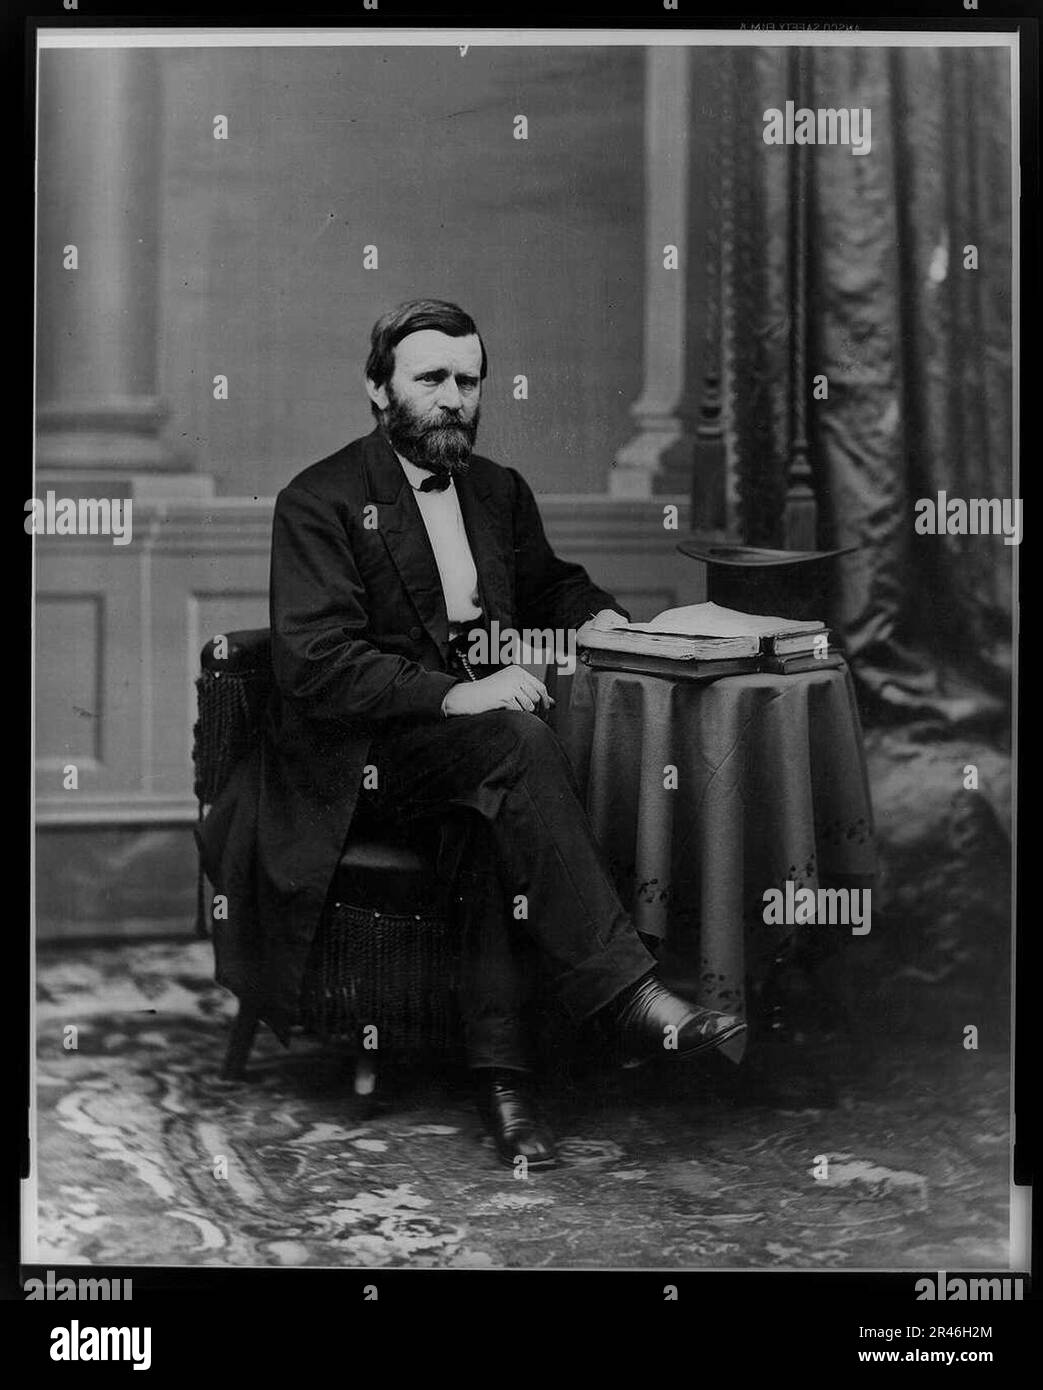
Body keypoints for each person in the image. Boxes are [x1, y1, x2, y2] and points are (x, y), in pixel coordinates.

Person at [219, 298, 745, 1171]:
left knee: (491, 799)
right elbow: (316, 665)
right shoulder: (319, 501)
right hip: (357, 764)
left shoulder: (497, 491)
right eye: (430, 379)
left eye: (468, 380)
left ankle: (504, 1089)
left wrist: (606, 622)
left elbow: (553, 588)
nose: (454, 398)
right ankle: (629, 1000)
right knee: (514, 743)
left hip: (470, 762)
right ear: (377, 390)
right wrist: (454, 699)